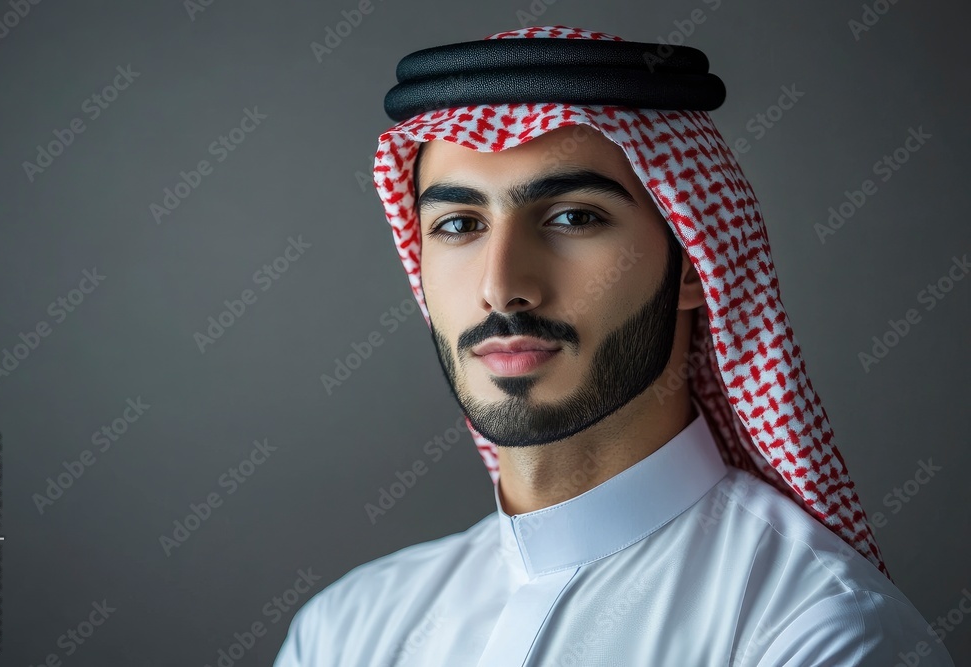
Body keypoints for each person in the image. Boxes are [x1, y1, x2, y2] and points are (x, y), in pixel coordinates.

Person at [273, 26, 955, 666]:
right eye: (458, 224)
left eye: (573, 217)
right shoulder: (346, 629)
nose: (502, 286)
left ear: (694, 261)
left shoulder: (814, 627)